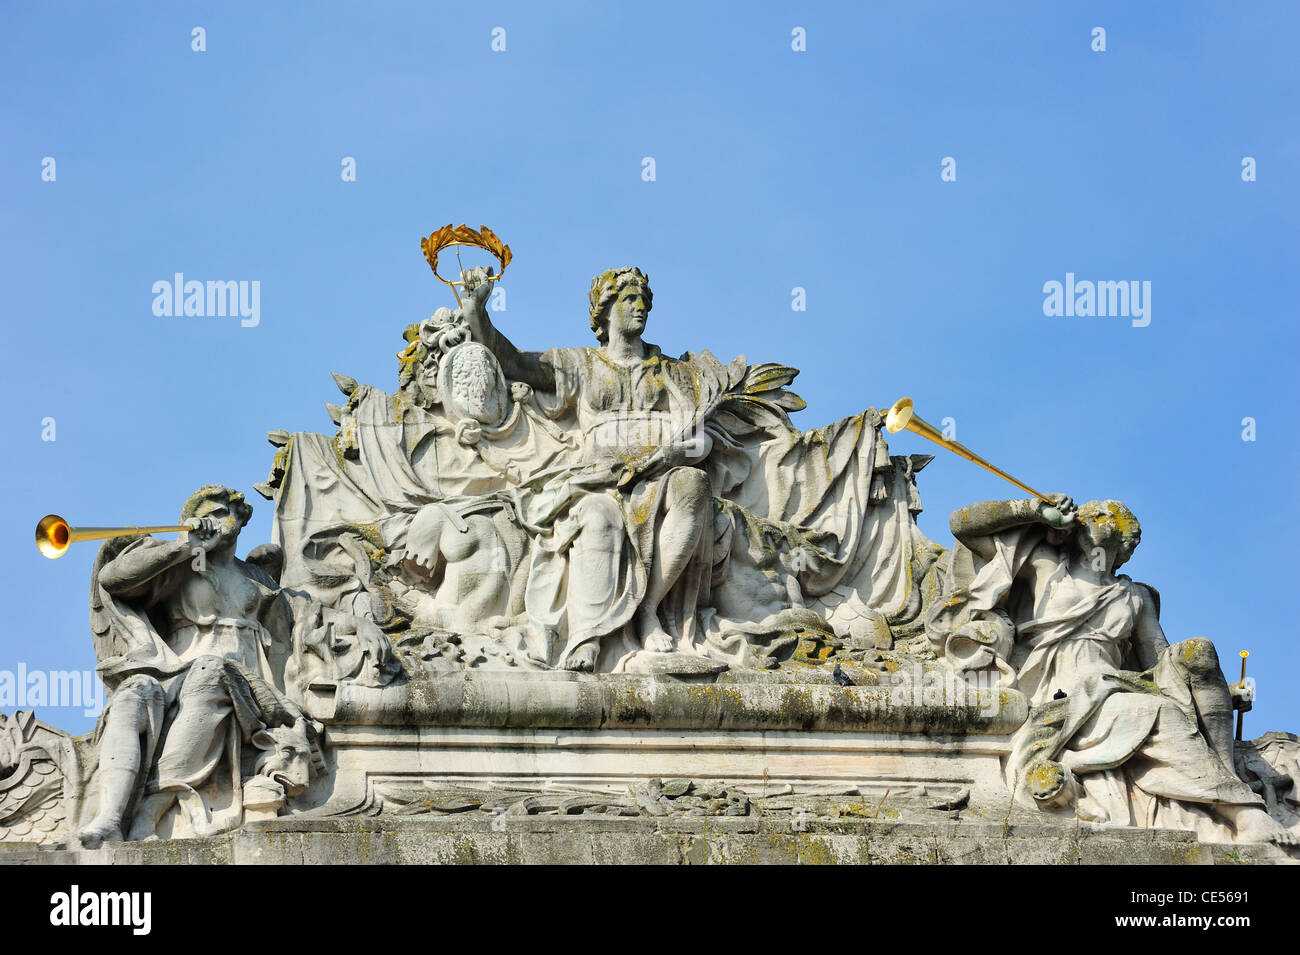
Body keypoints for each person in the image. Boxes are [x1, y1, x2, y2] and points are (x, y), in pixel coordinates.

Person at [930, 495, 1296, 845]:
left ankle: (1230, 781)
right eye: (1099, 516)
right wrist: (1034, 510)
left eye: (1113, 521)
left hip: (1115, 687)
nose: (1103, 524)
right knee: (1158, 712)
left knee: (1197, 653)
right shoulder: (1046, 567)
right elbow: (963, 525)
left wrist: (1223, 694)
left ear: (1125, 548)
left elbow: (1161, 665)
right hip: (1063, 695)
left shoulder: (1134, 597)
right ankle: (1244, 813)